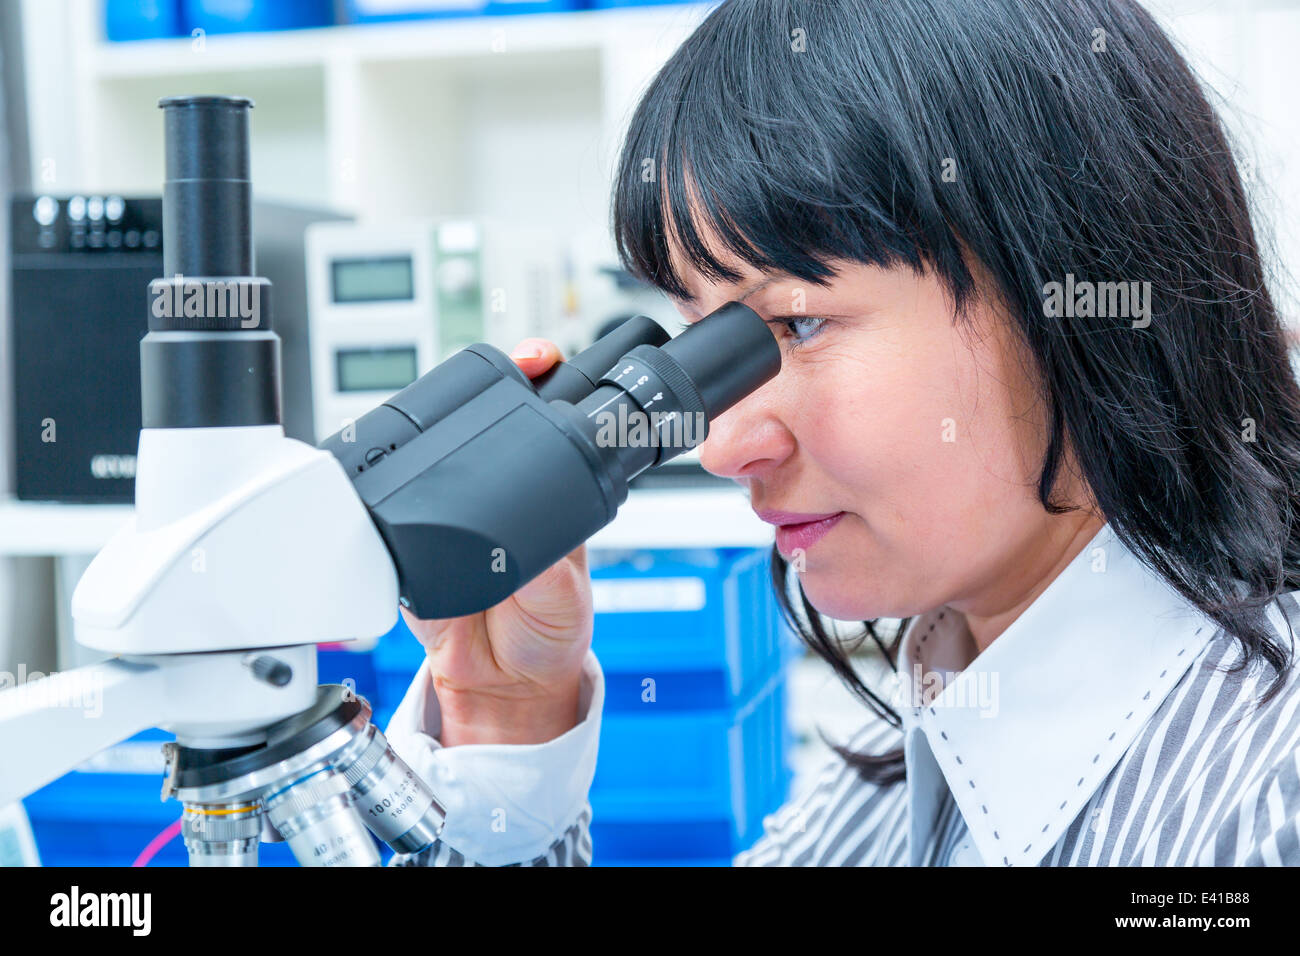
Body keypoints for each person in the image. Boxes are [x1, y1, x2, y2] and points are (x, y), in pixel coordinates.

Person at [381, 0, 1300, 866]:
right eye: (704, 341)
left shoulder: (1260, 815)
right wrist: (506, 729)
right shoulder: (896, 754)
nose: (721, 445)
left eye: (798, 323)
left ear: (1076, 291)